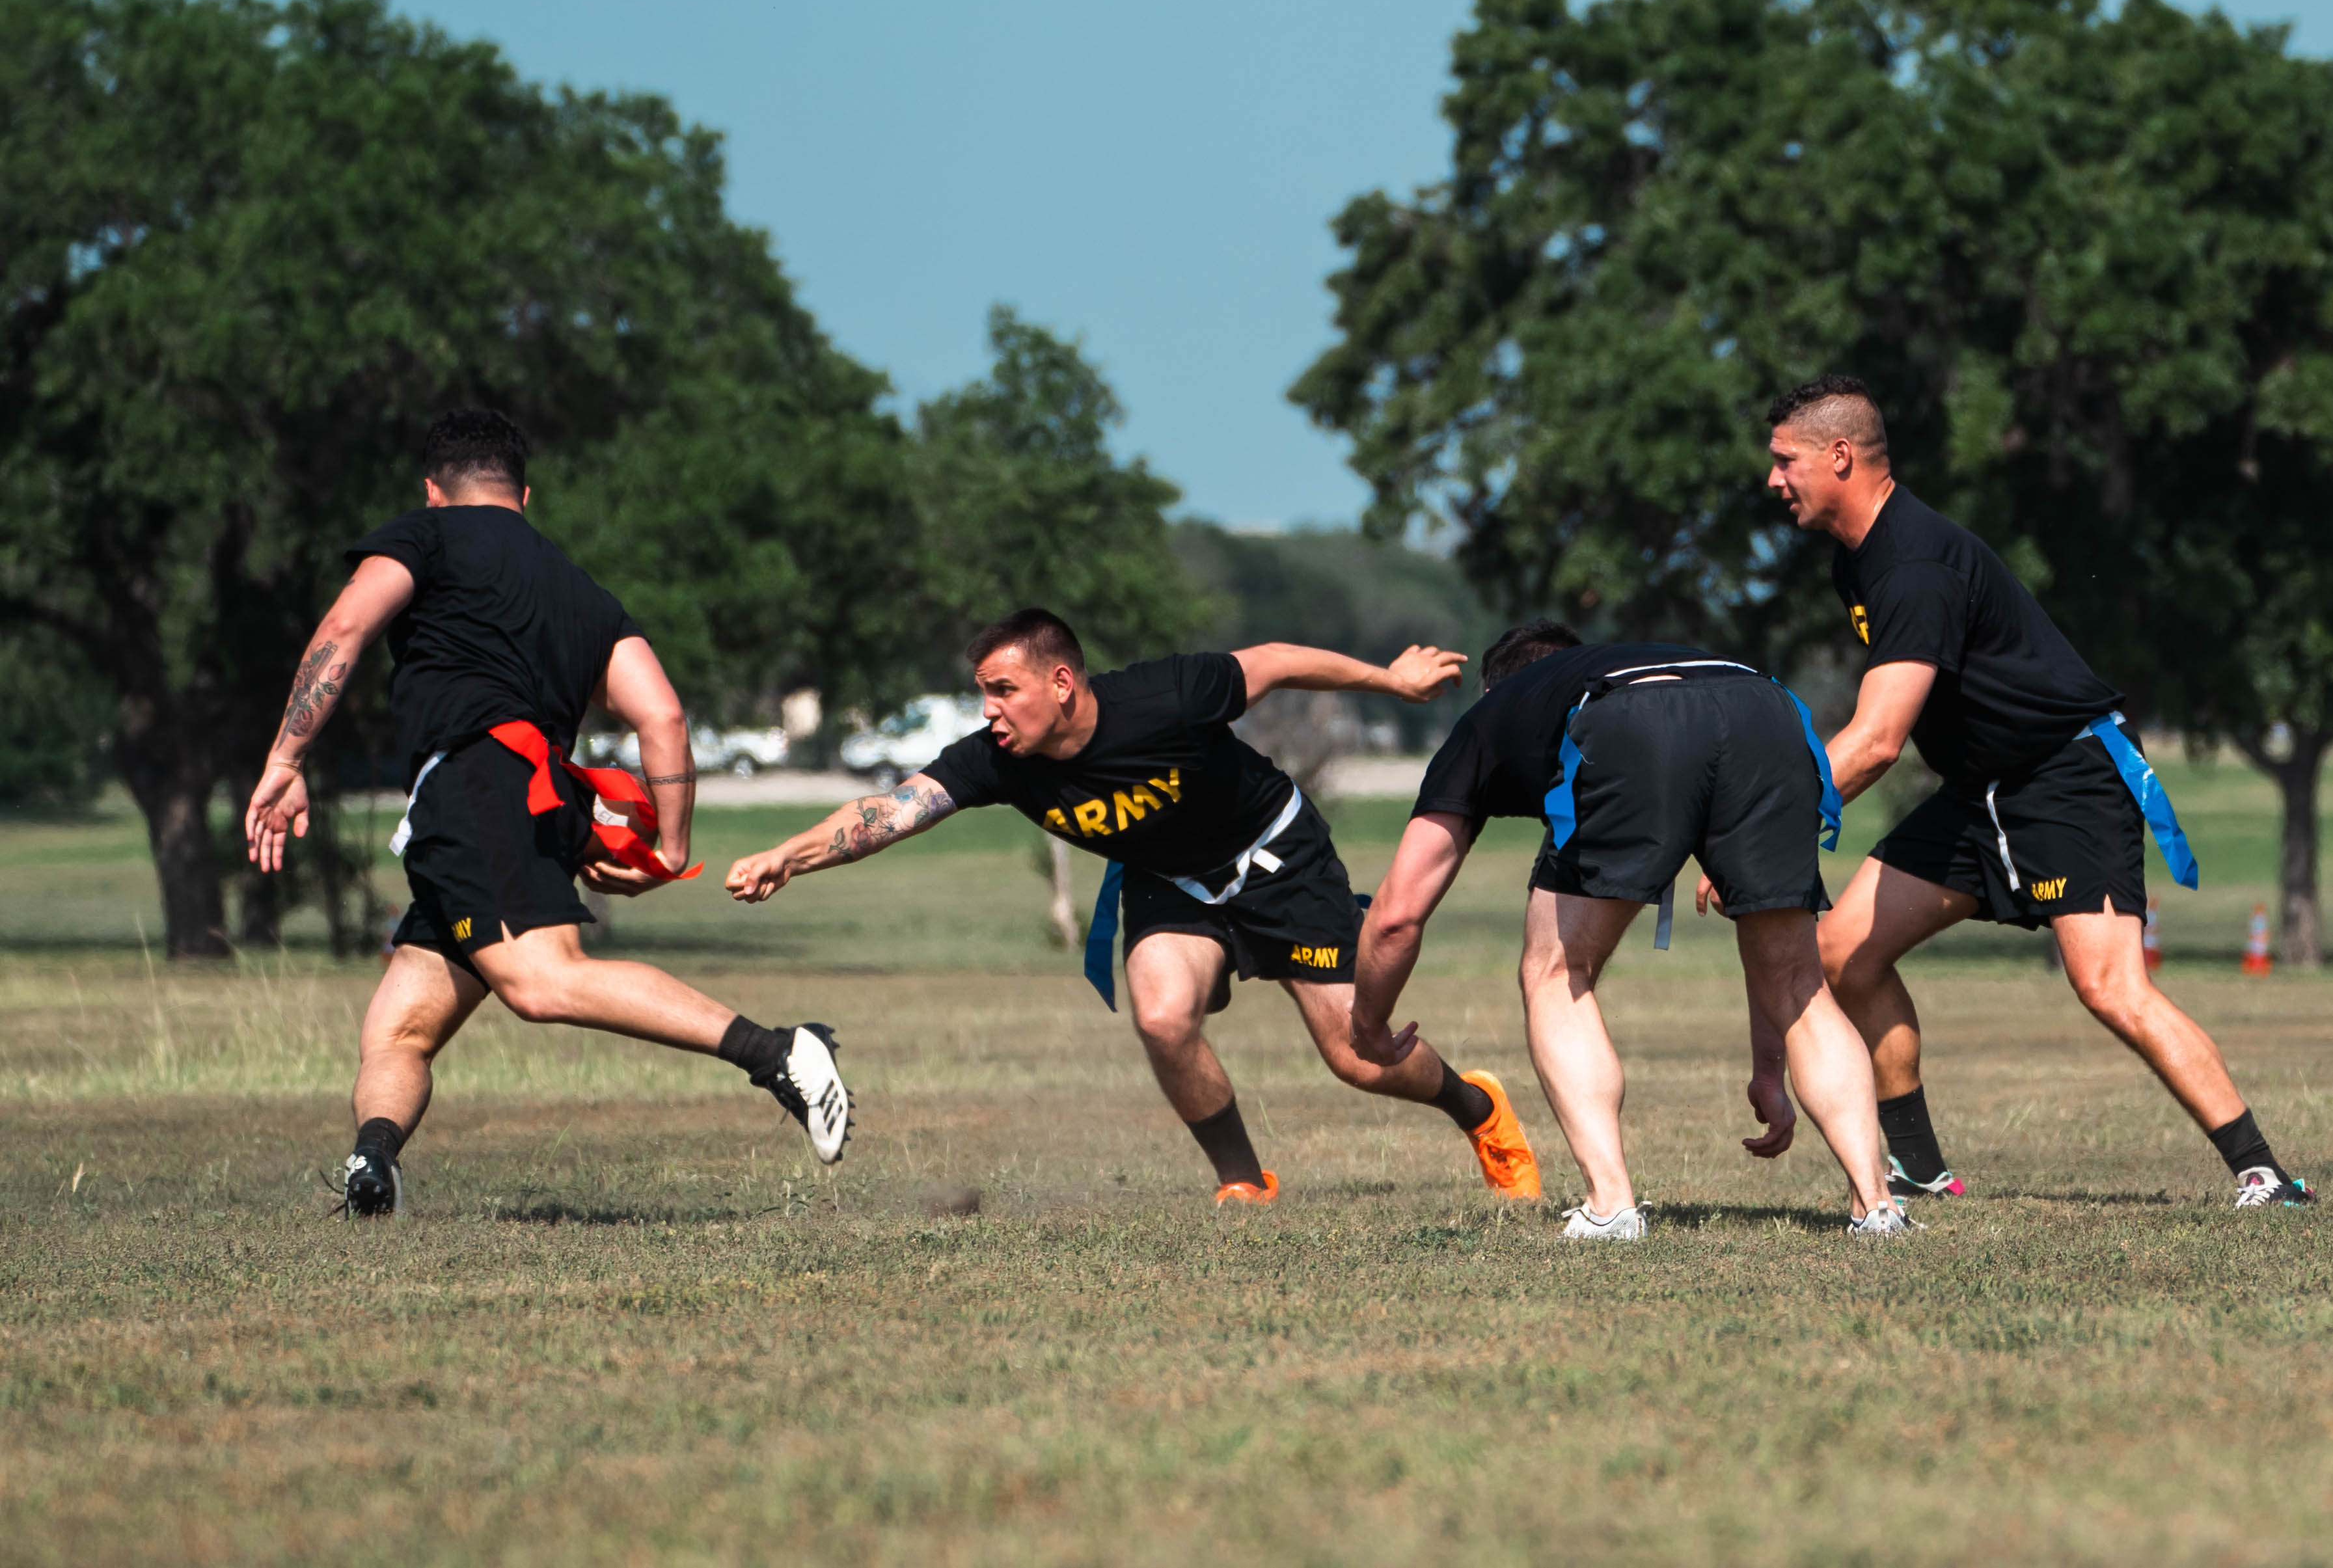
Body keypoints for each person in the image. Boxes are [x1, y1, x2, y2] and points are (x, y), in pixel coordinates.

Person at [243, 409, 851, 1217]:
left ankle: (778, 1051)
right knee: (400, 1027)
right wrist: (668, 849)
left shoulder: (426, 537)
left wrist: (286, 760)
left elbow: (346, 625)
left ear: (433, 492)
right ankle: (372, 1164)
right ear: (524, 494)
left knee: (542, 983)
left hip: (482, 789)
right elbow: (662, 716)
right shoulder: (579, 588)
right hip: (526, 801)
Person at [726, 607, 1542, 1206]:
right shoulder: (997, 762)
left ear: (1061, 680)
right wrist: (787, 857)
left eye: (1003, 690)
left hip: (1278, 860)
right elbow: (892, 809)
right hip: (1170, 882)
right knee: (1161, 1015)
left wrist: (1389, 680)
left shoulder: (1169, 695)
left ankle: (1477, 1107)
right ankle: (1245, 1183)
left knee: (1356, 1057)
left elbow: (1278, 658)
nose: (990, 712)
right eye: (983, 694)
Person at [1760, 373, 2312, 1208]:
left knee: (2110, 985)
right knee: (1844, 949)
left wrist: (1764, 818)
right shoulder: (1859, 561)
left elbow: (1876, 741)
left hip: (2066, 774)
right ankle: (1918, 1165)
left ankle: (2265, 1175)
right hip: (1985, 789)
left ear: (1838, 456)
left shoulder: (1912, 562)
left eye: (1784, 460)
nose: (1773, 480)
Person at [1350, 620, 1907, 1240]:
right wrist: (1765, 1071)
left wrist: (1369, 1024)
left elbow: (1397, 914)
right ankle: (1876, 1205)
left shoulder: (1494, 715)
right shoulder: (1634, 659)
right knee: (1800, 981)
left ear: (1495, 690)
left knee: (1557, 971)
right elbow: (1774, 963)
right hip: (1767, 708)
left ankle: (1611, 1204)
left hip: (1632, 721)